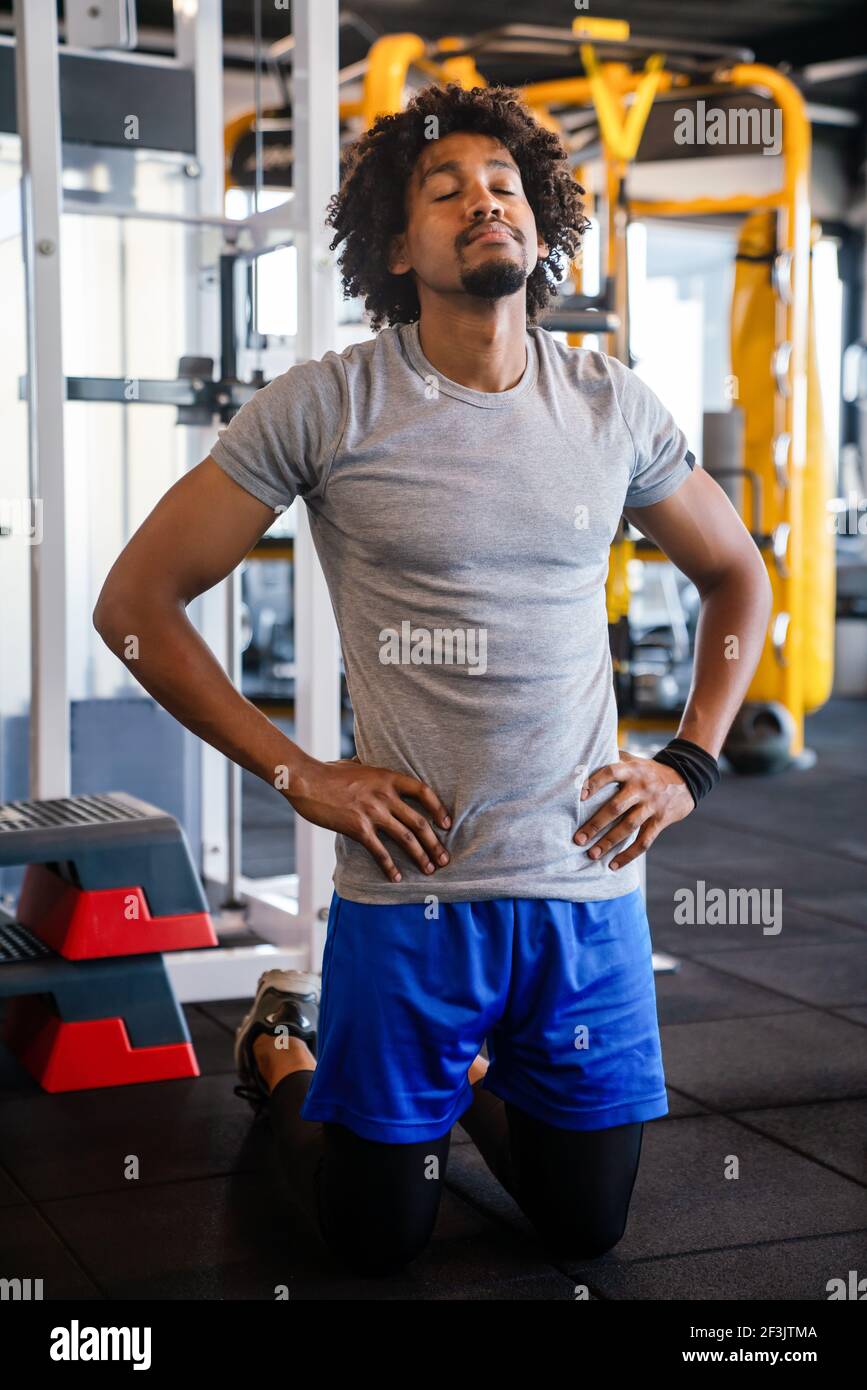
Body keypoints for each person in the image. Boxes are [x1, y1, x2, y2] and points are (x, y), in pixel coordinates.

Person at [93, 83, 771, 1280]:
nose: (483, 203)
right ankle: (281, 1048)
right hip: (413, 894)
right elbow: (136, 604)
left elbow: (736, 576)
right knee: (375, 1236)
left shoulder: (611, 403)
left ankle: (450, 1080)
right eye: (445, 191)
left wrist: (689, 763)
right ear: (396, 247)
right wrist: (300, 771)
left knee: (586, 1226)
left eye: (504, 187)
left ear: (541, 220)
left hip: (583, 883)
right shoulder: (330, 402)